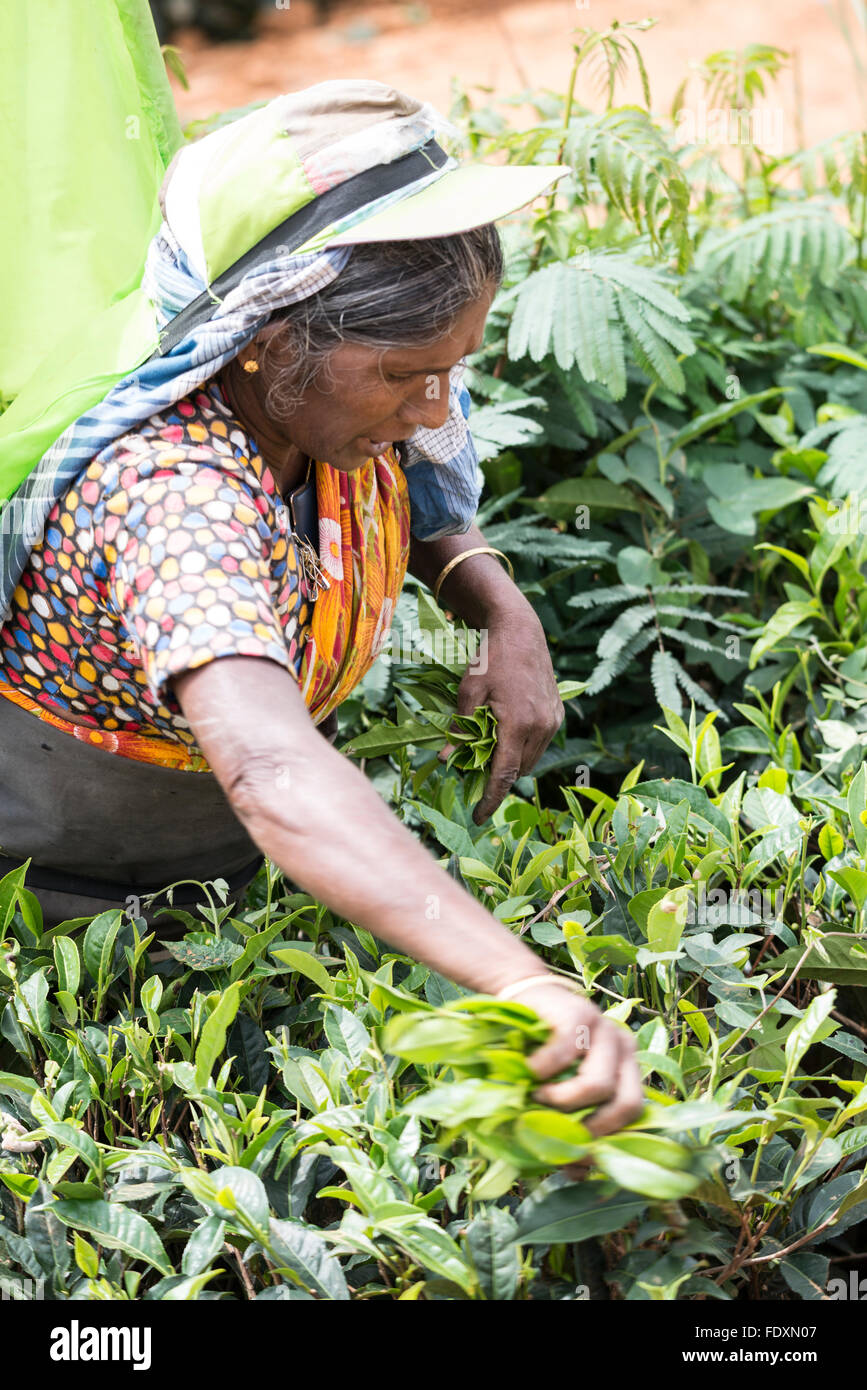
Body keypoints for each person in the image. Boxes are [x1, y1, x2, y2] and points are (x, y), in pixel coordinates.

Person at [0, 75, 642, 1133]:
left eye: (455, 366)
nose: (436, 405)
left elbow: (431, 476)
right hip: (64, 896)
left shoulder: (349, 379)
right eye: (405, 376)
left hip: (237, 884)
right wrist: (522, 980)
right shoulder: (176, 494)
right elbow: (269, 764)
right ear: (263, 334)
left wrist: (493, 597)